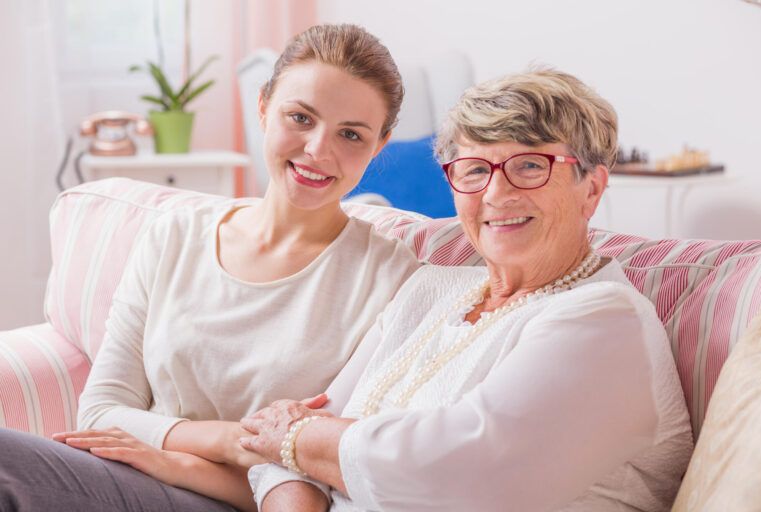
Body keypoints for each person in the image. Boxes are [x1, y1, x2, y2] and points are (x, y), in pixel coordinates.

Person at [0, 24, 419, 511]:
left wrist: (182, 463)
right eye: (301, 118)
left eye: (351, 134)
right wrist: (222, 441)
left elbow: (342, 469)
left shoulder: (391, 277)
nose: (318, 150)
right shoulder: (174, 236)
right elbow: (100, 411)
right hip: (136, 478)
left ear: (379, 146)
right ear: (263, 108)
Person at [238, 69, 695, 511]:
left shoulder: (606, 319)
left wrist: (299, 437)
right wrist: (299, 445)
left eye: (530, 165)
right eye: (475, 169)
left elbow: (459, 477)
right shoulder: (428, 288)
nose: (496, 193)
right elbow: (286, 458)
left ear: (591, 189)